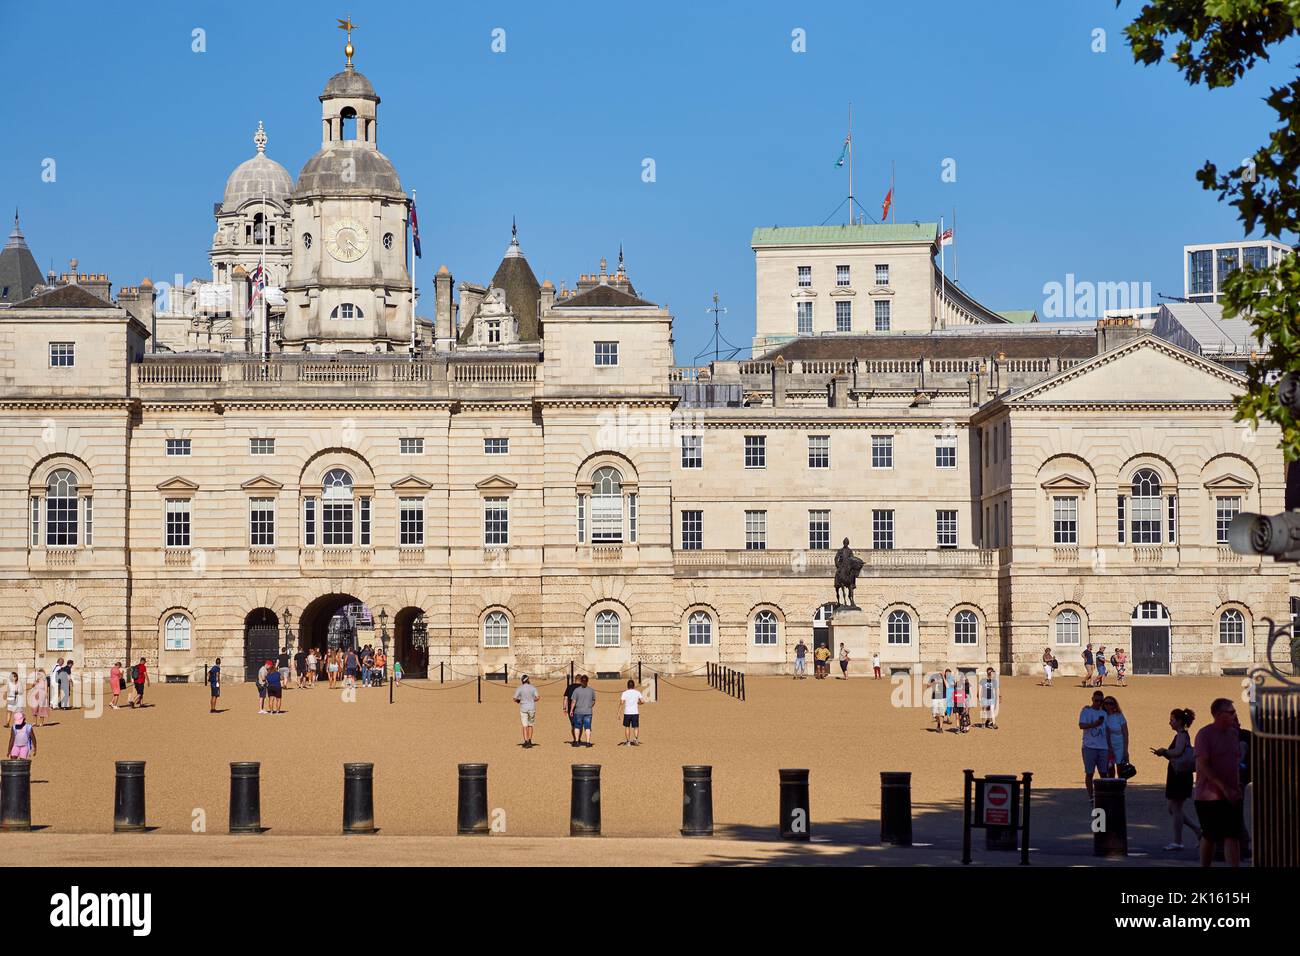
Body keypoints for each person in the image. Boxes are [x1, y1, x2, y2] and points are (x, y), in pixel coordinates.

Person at [1194, 698, 1243, 867]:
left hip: (1231, 794)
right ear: (1218, 714)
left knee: (1232, 835)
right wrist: (1223, 787)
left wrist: (1236, 787)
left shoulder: (1233, 734)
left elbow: (1235, 762)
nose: (1234, 715)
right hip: (1208, 795)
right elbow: (1204, 765)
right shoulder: (1204, 734)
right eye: (1230, 712)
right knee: (1210, 835)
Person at [1152, 707, 1198, 850]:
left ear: (1178, 721)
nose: (1169, 722)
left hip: (1180, 776)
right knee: (1172, 808)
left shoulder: (1182, 735)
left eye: (1172, 720)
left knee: (1176, 808)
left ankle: (1178, 841)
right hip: (1177, 775)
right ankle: (1198, 831)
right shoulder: (1181, 735)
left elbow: (1177, 752)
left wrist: (1163, 751)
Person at [1079, 689, 1109, 798]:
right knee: (1089, 773)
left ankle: (1103, 795)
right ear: (1092, 699)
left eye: (1101, 701)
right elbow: (1081, 725)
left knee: (1104, 774)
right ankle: (1091, 796)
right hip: (1089, 747)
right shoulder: (1086, 712)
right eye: (1096, 700)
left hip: (1103, 747)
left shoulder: (1105, 713)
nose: (1098, 703)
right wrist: (1094, 724)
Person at [1102, 696, 1129, 778]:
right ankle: (1112, 787)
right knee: (1110, 768)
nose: (1108, 705)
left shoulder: (1119, 716)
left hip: (1119, 744)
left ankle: (1120, 788)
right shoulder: (1103, 716)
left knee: (1120, 768)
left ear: (1114, 705)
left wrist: (1125, 750)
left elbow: (1125, 733)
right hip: (1108, 744)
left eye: (1111, 703)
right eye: (1106, 703)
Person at [568, 674, 595, 747]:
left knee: (577, 727)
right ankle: (588, 742)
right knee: (588, 727)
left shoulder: (577, 690)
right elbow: (593, 701)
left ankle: (576, 741)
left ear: (581, 681)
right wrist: (589, 706)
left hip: (578, 711)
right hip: (588, 711)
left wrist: (571, 710)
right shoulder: (591, 690)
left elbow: (573, 701)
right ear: (587, 681)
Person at [513, 675, 539, 748]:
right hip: (531, 707)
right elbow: (538, 697)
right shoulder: (533, 687)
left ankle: (526, 741)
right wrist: (532, 700)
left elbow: (514, 698)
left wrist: (519, 701)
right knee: (530, 725)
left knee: (525, 726)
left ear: (522, 680)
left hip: (523, 707)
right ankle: (530, 740)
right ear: (528, 680)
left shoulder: (520, 688)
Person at [619, 679, 646, 746]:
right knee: (636, 727)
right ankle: (636, 739)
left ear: (627, 686)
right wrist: (638, 703)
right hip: (635, 712)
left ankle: (628, 741)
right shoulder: (637, 692)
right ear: (633, 686)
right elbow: (642, 701)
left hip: (627, 712)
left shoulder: (625, 693)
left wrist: (619, 712)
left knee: (627, 727)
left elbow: (621, 703)